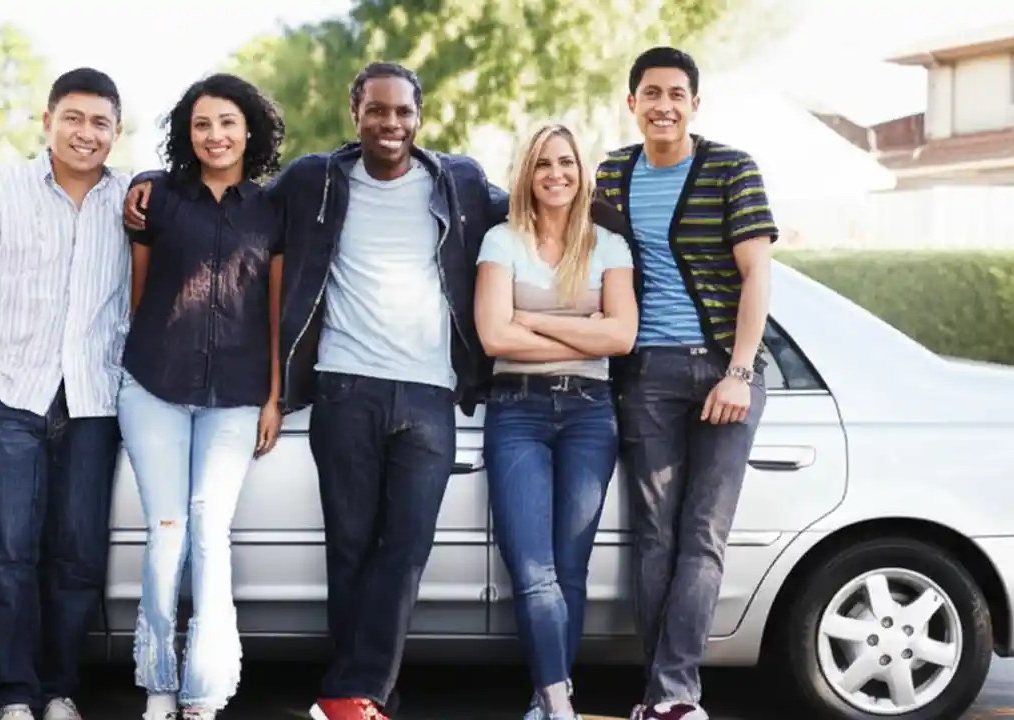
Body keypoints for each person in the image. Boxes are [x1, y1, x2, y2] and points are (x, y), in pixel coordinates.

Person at [125, 61, 508, 720]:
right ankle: (363, 696)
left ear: (419, 117)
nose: (391, 123)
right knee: (351, 547)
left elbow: (536, 206)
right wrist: (147, 180)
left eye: (403, 112)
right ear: (354, 112)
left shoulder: (460, 181)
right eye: (377, 110)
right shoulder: (313, 180)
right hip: (343, 386)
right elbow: (225, 191)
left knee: (407, 546)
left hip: (429, 394)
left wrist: (607, 200)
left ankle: (353, 690)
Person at [0, 68, 129, 720]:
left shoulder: (131, 203)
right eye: (73, 117)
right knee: (8, 554)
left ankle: (59, 689)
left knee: (76, 558)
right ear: (47, 121)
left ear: (115, 132)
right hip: (4, 398)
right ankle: (13, 694)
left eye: (100, 122)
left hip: (93, 402)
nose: (85, 132)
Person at [593, 47, 779, 720]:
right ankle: (663, 695)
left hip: (722, 370)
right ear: (632, 102)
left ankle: (674, 695)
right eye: (651, 93)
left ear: (695, 103)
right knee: (655, 538)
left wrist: (738, 371)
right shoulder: (613, 172)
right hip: (646, 371)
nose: (663, 104)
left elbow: (757, 274)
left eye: (676, 93)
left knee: (703, 535)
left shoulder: (731, 168)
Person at [116, 73, 286, 720]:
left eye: (227, 123)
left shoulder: (271, 209)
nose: (215, 136)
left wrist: (273, 396)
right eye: (201, 124)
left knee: (212, 533)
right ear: (188, 134)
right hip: (154, 386)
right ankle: (159, 682)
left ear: (250, 130)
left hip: (238, 393)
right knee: (168, 536)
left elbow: (274, 308)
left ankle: (203, 693)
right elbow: (139, 293)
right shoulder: (157, 196)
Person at [474, 123, 638, 720]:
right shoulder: (501, 242)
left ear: (581, 172)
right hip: (515, 411)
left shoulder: (606, 247)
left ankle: (549, 700)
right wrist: (581, 331)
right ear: (527, 174)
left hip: (591, 415)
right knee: (532, 568)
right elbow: (494, 335)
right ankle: (557, 701)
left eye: (566, 163)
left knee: (571, 568)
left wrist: (532, 321)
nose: (556, 174)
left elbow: (621, 336)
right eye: (543, 164)